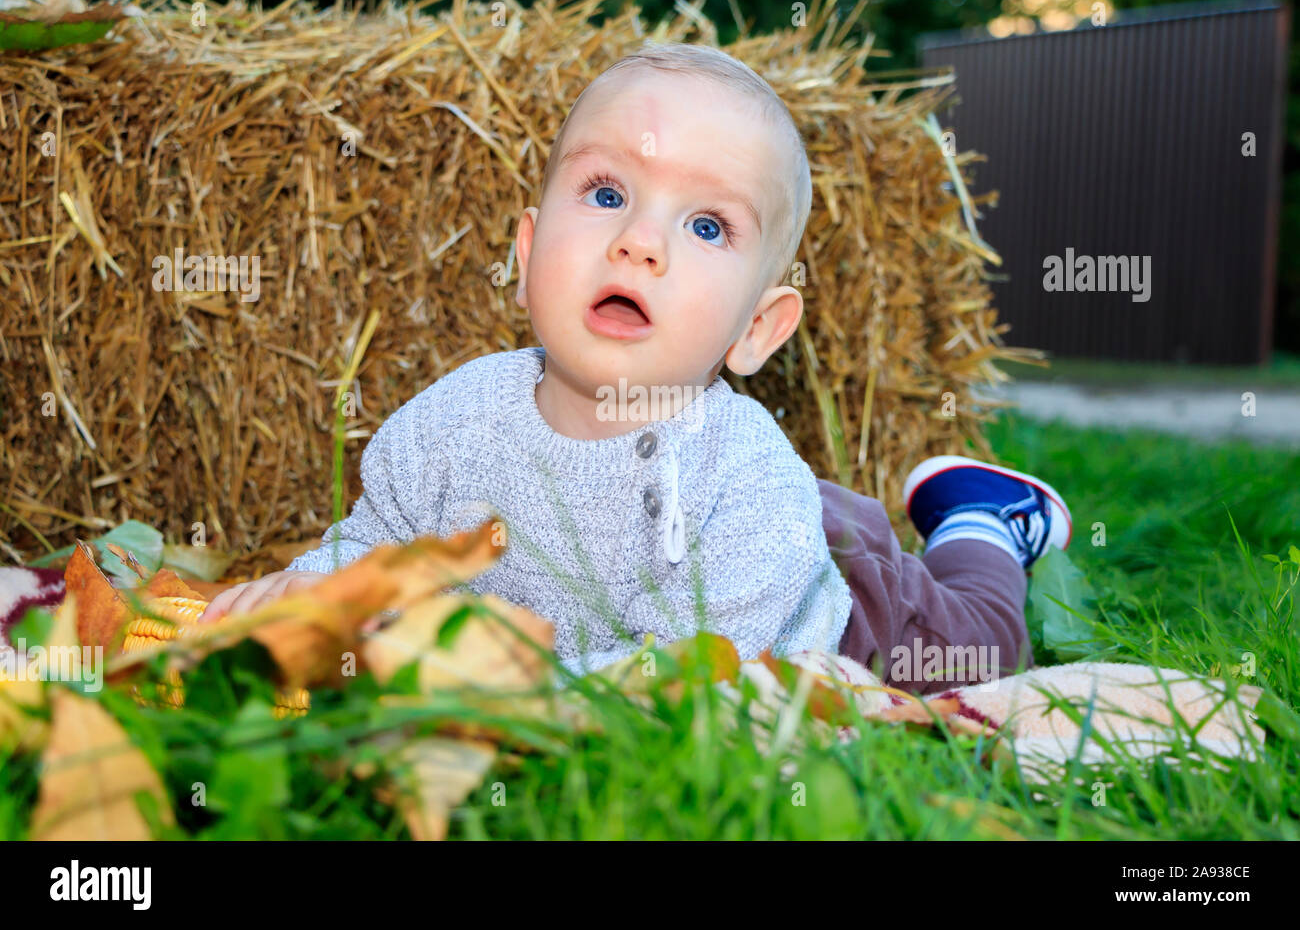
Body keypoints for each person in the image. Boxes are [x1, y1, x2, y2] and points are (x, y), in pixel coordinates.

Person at [203, 43, 1071, 690]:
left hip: (824, 606)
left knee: (983, 649)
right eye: (609, 194)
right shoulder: (448, 427)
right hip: (762, 522)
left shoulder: (744, 479)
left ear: (758, 329)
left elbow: (694, 680)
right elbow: (371, 551)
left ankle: (984, 520)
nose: (639, 242)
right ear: (530, 251)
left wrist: (503, 684)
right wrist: (307, 596)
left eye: (705, 226)